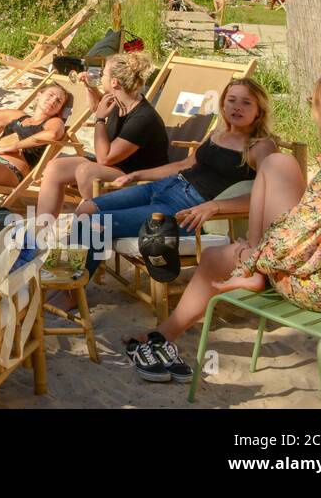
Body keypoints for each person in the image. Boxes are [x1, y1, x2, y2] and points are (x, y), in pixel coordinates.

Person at [143, 70, 321, 360]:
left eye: (313, 103)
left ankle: (164, 334)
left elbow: (298, 242)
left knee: (214, 258)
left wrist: (251, 256)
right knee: (277, 163)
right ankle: (253, 269)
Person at [73, 78, 280, 380]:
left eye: (246, 102)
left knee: (94, 223)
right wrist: (140, 174)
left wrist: (215, 206)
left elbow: (267, 193)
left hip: (183, 209)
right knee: (87, 207)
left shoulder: (261, 146)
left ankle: (70, 293)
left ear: (259, 110)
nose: (236, 107)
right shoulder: (218, 133)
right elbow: (185, 165)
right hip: (164, 187)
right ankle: (72, 280)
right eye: (231, 100)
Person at [35, 53, 169, 219]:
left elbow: (104, 159)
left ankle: (98, 224)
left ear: (114, 82)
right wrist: (90, 87)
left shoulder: (143, 118)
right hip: (117, 170)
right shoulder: (119, 100)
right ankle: (41, 229)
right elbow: (95, 106)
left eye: (103, 73)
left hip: (140, 181)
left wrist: (100, 119)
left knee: (87, 171)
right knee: (56, 167)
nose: (100, 76)